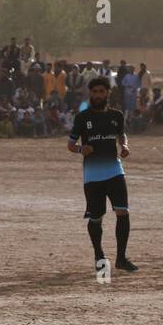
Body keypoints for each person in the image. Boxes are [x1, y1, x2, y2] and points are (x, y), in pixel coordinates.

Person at [67, 76, 136, 272]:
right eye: (95, 92)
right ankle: (99, 255)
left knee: (123, 212)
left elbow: (121, 134)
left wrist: (124, 145)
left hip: (115, 171)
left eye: (101, 92)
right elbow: (70, 145)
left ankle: (121, 258)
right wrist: (81, 149)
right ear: (90, 93)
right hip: (93, 176)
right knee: (96, 217)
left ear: (107, 93)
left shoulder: (117, 115)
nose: (98, 95)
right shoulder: (82, 118)